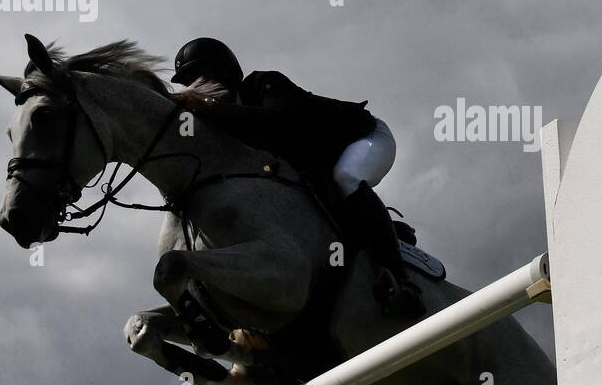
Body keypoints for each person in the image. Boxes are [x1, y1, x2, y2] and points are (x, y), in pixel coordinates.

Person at [169, 37, 423, 318]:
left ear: (223, 71)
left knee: (347, 178)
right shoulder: (223, 123)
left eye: (199, 76)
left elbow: (274, 123)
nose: (195, 85)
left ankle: (402, 283)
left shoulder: (264, 83)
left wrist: (207, 106)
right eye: (189, 81)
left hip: (365, 137)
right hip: (318, 168)